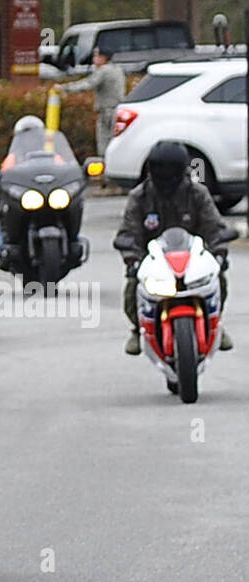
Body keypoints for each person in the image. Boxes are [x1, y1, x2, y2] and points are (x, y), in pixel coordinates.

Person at [115, 140, 233, 355]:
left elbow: (214, 226)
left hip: (193, 259)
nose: (165, 173)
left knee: (219, 279)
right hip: (153, 261)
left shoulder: (197, 193)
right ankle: (137, 329)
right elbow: (129, 232)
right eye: (160, 167)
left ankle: (215, 323)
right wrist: (132, 259)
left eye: (171, 168)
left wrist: (219, 253)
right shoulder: (139, 197)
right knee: (133, 287)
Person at [60, 47, 125, 156]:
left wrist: (65, 88)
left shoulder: (104, 71)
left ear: (103, 57)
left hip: (106, 111)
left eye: (96, 56)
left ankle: (105, 167)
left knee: (104, 143)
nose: (94, 59)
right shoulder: (118, 69)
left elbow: (88, 84)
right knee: (115, 142)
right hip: (118, 109)